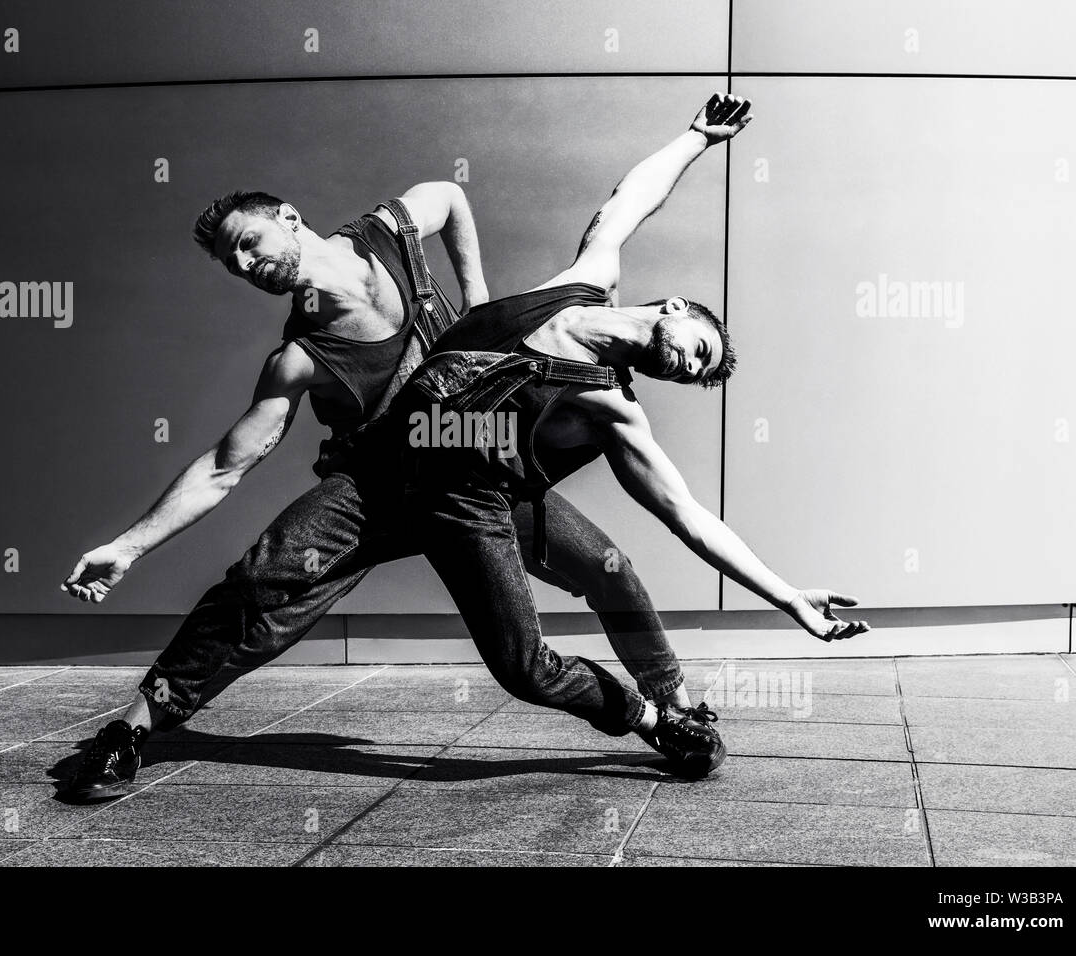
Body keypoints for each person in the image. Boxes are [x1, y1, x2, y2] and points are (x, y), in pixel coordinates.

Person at [62, 177, 694, 800]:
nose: (248, 264)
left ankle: (675, 709)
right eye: (235, 264)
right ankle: (130, 731)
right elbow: (227, 466)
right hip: (373, 490)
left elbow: (447, 195)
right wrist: (129, 547)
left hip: (474, 478)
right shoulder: (302, 355)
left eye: (249, 243)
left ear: (289, 215)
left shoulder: (387, 233)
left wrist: (480, 303)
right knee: (258, 586)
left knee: (607, 569)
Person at [368, 92, 871, 776]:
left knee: (612, 571)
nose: (690, 366)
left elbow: (691, 519)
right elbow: (630, 197)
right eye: (699, 348)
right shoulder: (587, 278)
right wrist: (695, 138)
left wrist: (788, 597)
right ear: (674, 308)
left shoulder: (616, 410)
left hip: (499, 492)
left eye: (698, 373)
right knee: (286, 574)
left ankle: (674, 711)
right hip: (412, 465)